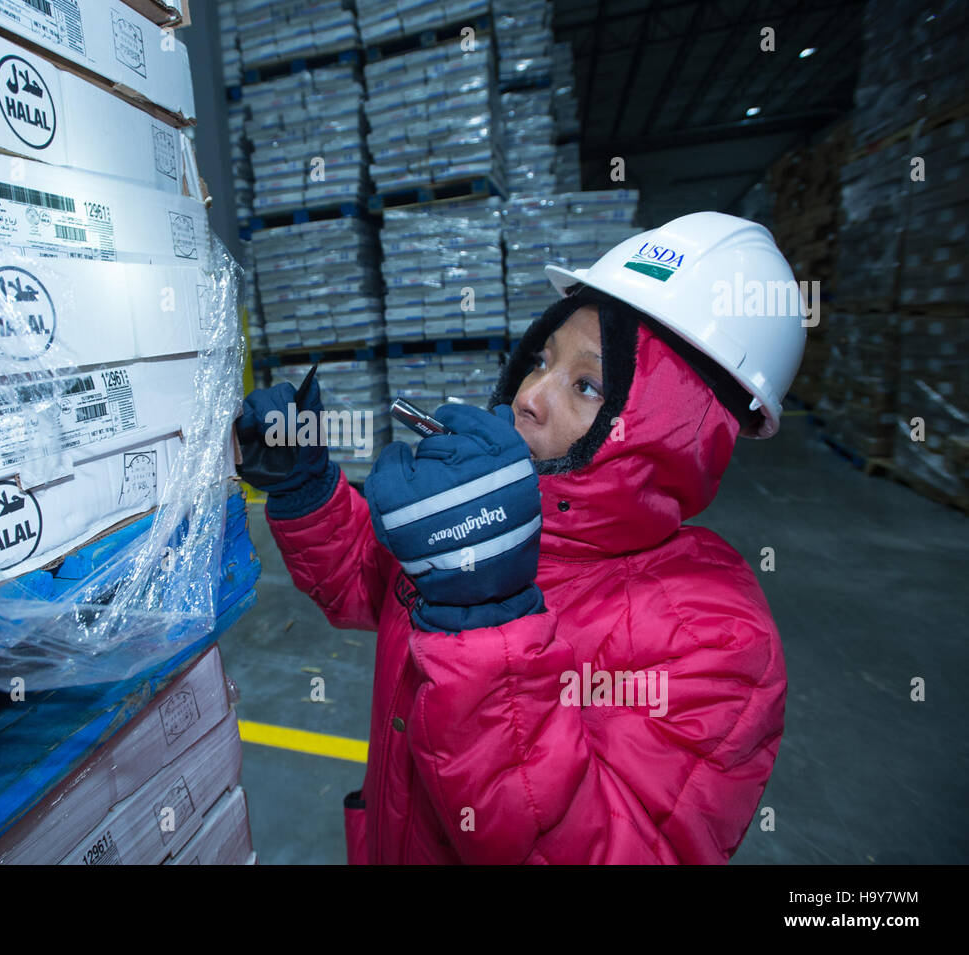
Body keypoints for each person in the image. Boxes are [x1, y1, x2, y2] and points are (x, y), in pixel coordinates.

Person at [235, 212, 805, 864]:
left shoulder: (715, 638)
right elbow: (371, 582)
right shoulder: (498, 521)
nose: (530, 394)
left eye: (587, 384)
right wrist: (305, 486)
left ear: (673, 429)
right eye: (541, 359)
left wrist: (484, 623)